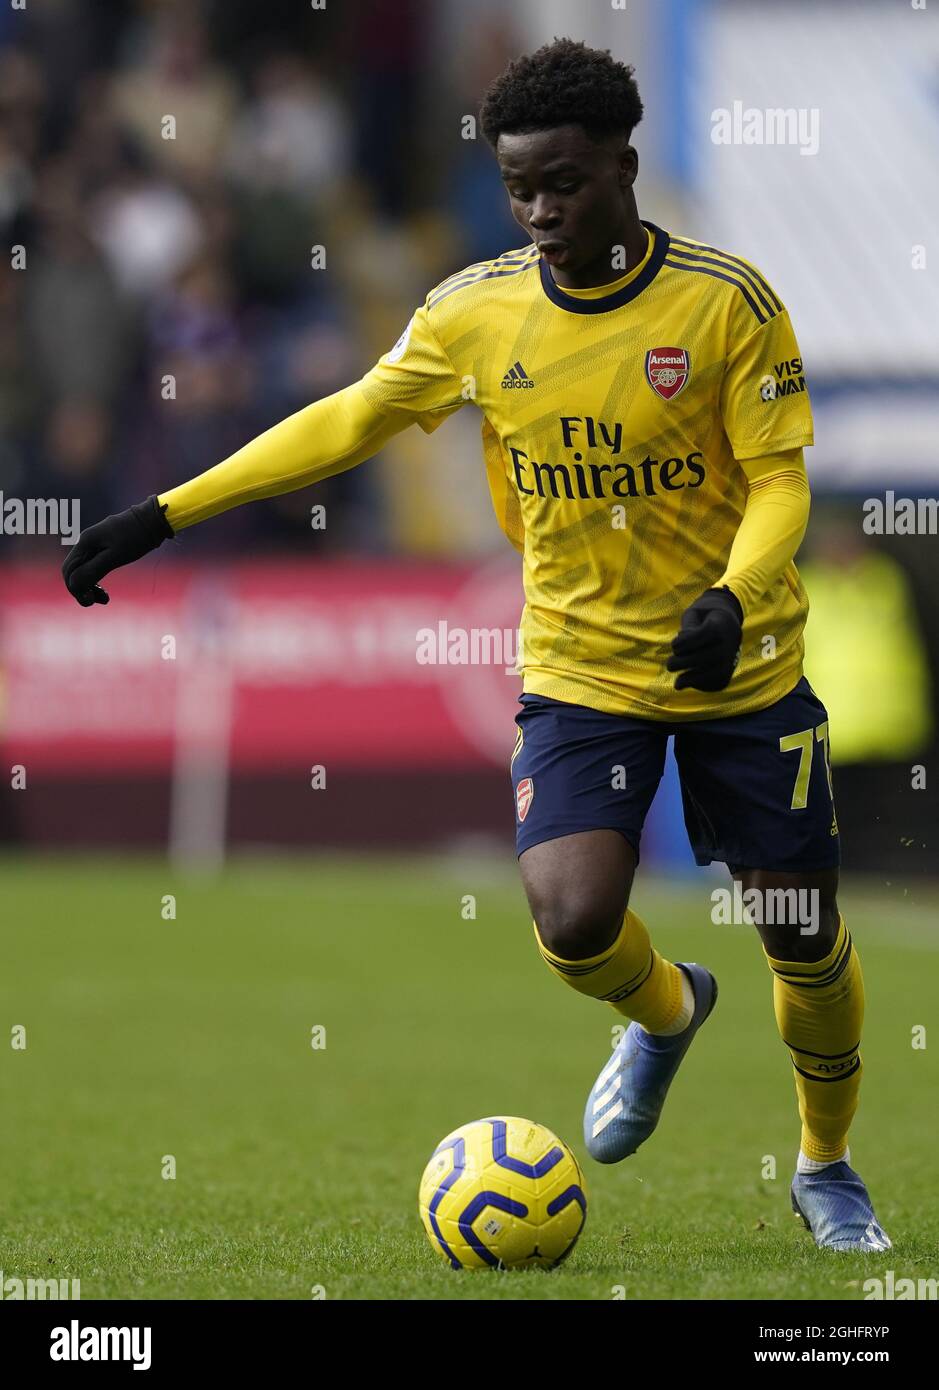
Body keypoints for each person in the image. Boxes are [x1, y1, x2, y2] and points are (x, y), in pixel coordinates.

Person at [63, 37, 889, 1252]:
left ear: (624, 164)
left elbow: (778, 481)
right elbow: (348, 420)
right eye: (519, 187)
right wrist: (166, 513)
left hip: (737, 663)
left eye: (563, 181)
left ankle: (826, 1164)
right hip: (578, 663)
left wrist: (735, 592)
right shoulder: (472, 310)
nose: (540, 210)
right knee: (569, 916)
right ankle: (665, 1012)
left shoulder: (725, 302)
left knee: (803, 935)